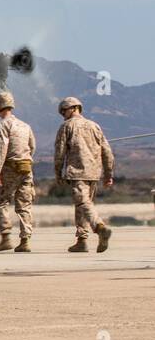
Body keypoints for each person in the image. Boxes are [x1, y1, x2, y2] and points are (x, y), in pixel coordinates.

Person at [53, 96, 115, 253]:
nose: (63, 115)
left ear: (74, 108)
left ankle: (100, 227)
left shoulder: (67, 126)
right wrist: (108, 174)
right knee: (83, 205)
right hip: (94, 173)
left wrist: (58, 173)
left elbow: (59, 153)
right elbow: (107, 152)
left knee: (83, 204)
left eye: (64, 111)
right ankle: (81, 240)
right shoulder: (94, 126)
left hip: (77, 172)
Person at [0, 91, 37, 253]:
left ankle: (5, 237)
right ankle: (25, 240)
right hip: (26, 166)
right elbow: (32, 147)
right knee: (24, 204)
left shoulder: (2, 125)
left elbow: (1, 148)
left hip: (10, 167)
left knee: (0, 201)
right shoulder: (25, 125)